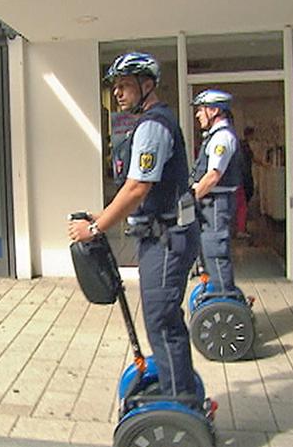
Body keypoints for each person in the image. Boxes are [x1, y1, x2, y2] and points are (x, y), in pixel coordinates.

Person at [67, 52, 199, 400]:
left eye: (125, 86)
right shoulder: (150, 123)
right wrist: (102, 215)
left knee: (161, 320)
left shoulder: (153, 125)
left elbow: (139, 188)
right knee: (162, 318)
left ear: (147, 85)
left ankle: (181, 401)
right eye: (116, 87)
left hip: (167, 239)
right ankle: (178, 388)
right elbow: (133, 189)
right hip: (161, 235)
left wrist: (95, 230)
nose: (119, 94)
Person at [190, 89, 242, 292]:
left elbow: (213, 176)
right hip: (210, 202)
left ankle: (224, 299)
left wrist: (190, 198)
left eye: (200, 110)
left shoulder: (222, 138)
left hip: (216, 202)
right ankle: (217, 295)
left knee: (215, 250)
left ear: (214, 111)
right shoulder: (214, 136)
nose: (197, 115)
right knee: (208, 249)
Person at [234, 126, 259, 239]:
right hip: (242, 178)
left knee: (240, 204)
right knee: (242, 205)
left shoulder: (240, 146)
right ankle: (240, 229)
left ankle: (239, 227)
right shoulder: (244, 147)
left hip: (239, 178)